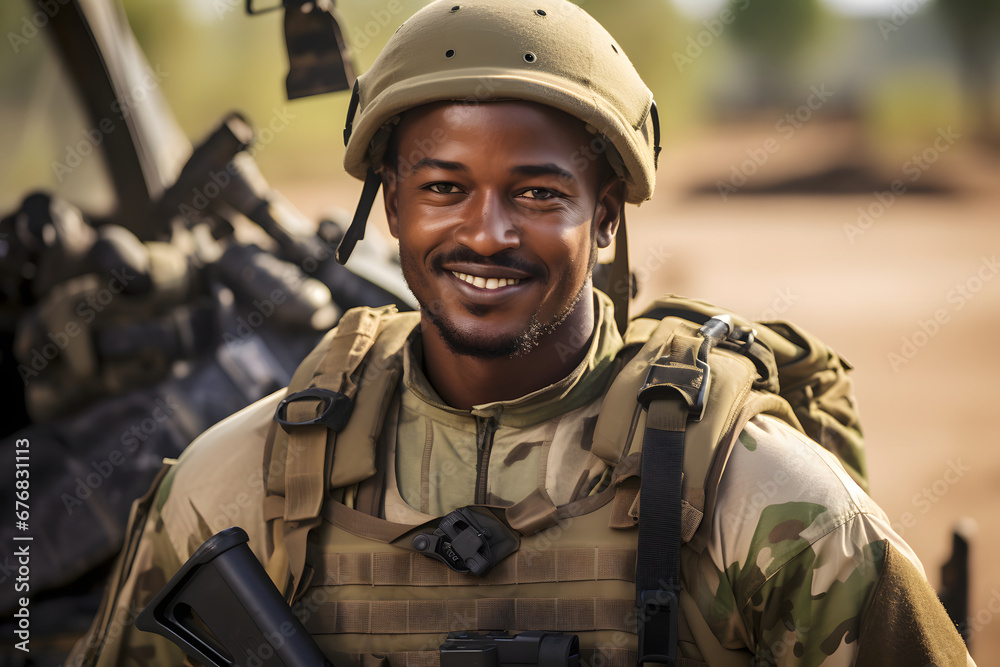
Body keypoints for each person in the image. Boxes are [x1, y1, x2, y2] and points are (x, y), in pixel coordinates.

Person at [70, 1, 975, 665]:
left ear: (606, 216)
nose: (488, 231)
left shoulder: (764, 506)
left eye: (539, 193)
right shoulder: (238, 487)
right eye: (443, 188)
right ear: (391, 205)